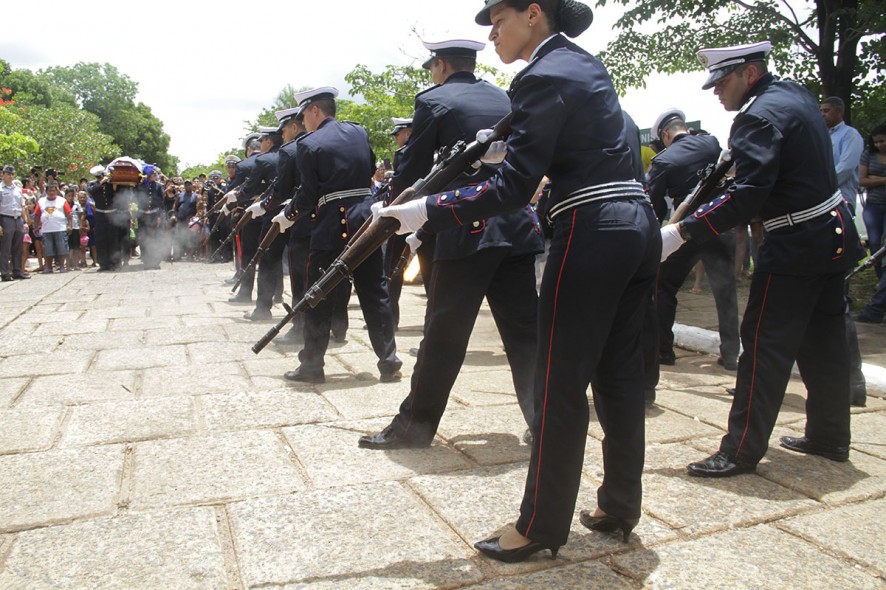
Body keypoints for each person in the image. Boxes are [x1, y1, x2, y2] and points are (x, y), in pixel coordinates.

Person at [378, 0, 659, 560]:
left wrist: (428, 209)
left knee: (558, 381)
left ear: (534, 14)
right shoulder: (583, 65)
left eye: (499, 21)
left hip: (590, 228)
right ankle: (619, 502)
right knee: (620, 375)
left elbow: (509, 189)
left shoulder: (542, 74)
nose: (494, 35)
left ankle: (539, 524)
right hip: (636, 225)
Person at [658, 41, 862, 477]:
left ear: (749, 74)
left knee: (764, 346)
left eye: (723, 80)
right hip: (832, 233)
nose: (716, 91)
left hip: (795, 243)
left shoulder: (756, 118)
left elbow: (749, 195)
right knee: (823, 341)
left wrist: (683, 231)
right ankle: (829, 436)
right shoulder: (796, 95)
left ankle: (739, 450)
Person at [359, 38, 545, 450]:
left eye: (431, 68)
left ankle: (413, 428)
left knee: (443, 333)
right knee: (525, 336)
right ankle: (545, 423)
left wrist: (396, 212)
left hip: (466, 229)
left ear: (440, 66)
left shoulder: (433, 101)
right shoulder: (505, 96)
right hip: (514, 226)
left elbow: (413, 169)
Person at [281, 87, 402, 383]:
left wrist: (287, 214)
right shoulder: (358, 132)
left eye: (303, 117)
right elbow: (371, 168)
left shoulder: (308, 144)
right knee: (375, 292)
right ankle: (388, 360)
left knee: (318, 294)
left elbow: (309, 195)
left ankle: (311, 366)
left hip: (333, 224)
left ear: (314, 111)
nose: (303, 124)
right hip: (366, 220)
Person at [649, 108, 740, 371]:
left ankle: (663, 350)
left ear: (666, 135)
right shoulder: (710, 143)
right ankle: (731, 354)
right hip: (719, 222)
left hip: (686, 228)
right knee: (725, 290)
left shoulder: (663, 161)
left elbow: (653, 206)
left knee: (663, 285)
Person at [820, 97, 864, 210]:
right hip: (821, 200)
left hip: (841, 198)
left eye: (826, 111)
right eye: (820, 111)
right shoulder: (822, 136)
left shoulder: (850, 135)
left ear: (839, 111)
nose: (822, 115)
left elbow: (846, 168)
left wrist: (823, 185)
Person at [860, 124, 886, 275]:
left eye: (882, 141)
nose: (879, 145)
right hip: (873, 205)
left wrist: (874, 178)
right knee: (875, 243)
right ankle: (880, 278)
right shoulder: (868, 154)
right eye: (876, 142)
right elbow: (861, 180)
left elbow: (868, 179)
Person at [0, 165, 31, 281]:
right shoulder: (0, 189)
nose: (10, 176)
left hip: (17, 218)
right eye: (8, 174)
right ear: (3, 175)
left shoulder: (17, 189)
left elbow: (21, 206)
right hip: (5, 218)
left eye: (12, 174)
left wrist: (25, 222)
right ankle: (5, 273)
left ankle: (17, 270)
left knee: (18, 247)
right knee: (5, 248)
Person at [34, 182, 72, 273]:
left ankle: (62, 267)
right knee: (48, 249)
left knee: (62, 248)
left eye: (53, 191)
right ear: (46, 191)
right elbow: (36, 215)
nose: (51, 192)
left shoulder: (62, 200)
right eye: (50, 191)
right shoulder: (41, 201)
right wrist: (36, 227)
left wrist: (70, 225)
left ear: (56, 191)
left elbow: (69, 214)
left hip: (60, 228)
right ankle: (49, 267)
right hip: (46, 229)